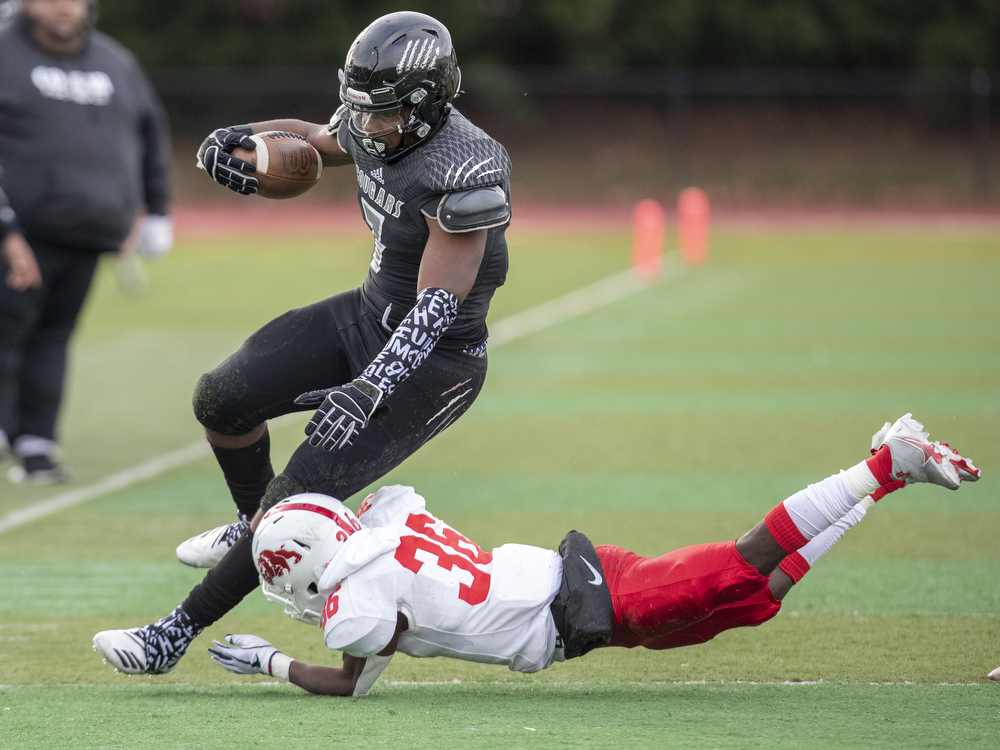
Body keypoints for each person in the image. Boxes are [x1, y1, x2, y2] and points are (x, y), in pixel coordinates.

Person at [92, 11, 512, 674]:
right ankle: (248, 520)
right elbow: (316, 140)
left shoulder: (466, 169)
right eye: (362, 111)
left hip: (432, 363)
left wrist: (370, 386)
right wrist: (239, 138)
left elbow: (437, 307)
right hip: (367, 314)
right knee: (223, 399)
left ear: (428, 105)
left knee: (291, 501)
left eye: (382, 116)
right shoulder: (376, 120)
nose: (368, 129)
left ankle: (169, 635)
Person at [96, 413, 980, 690]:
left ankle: (879, 462)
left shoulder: (354, 600)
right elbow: (366, 533)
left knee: (744, 566)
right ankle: (889, 482)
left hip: (578, 609)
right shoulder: (388, 523)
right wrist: (265, 534)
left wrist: (274, 664)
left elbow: (353, 679)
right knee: (752, 601)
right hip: (585, 586)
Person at [0, 0, 174, 484]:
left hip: (85, 232)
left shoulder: (114, 62)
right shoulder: (5, 54)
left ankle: (36, 446)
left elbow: (149, 132)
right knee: (8, 333)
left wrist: (157, 209)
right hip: (19, 231)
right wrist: (6, 231)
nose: (62, 7)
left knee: (54, 336)